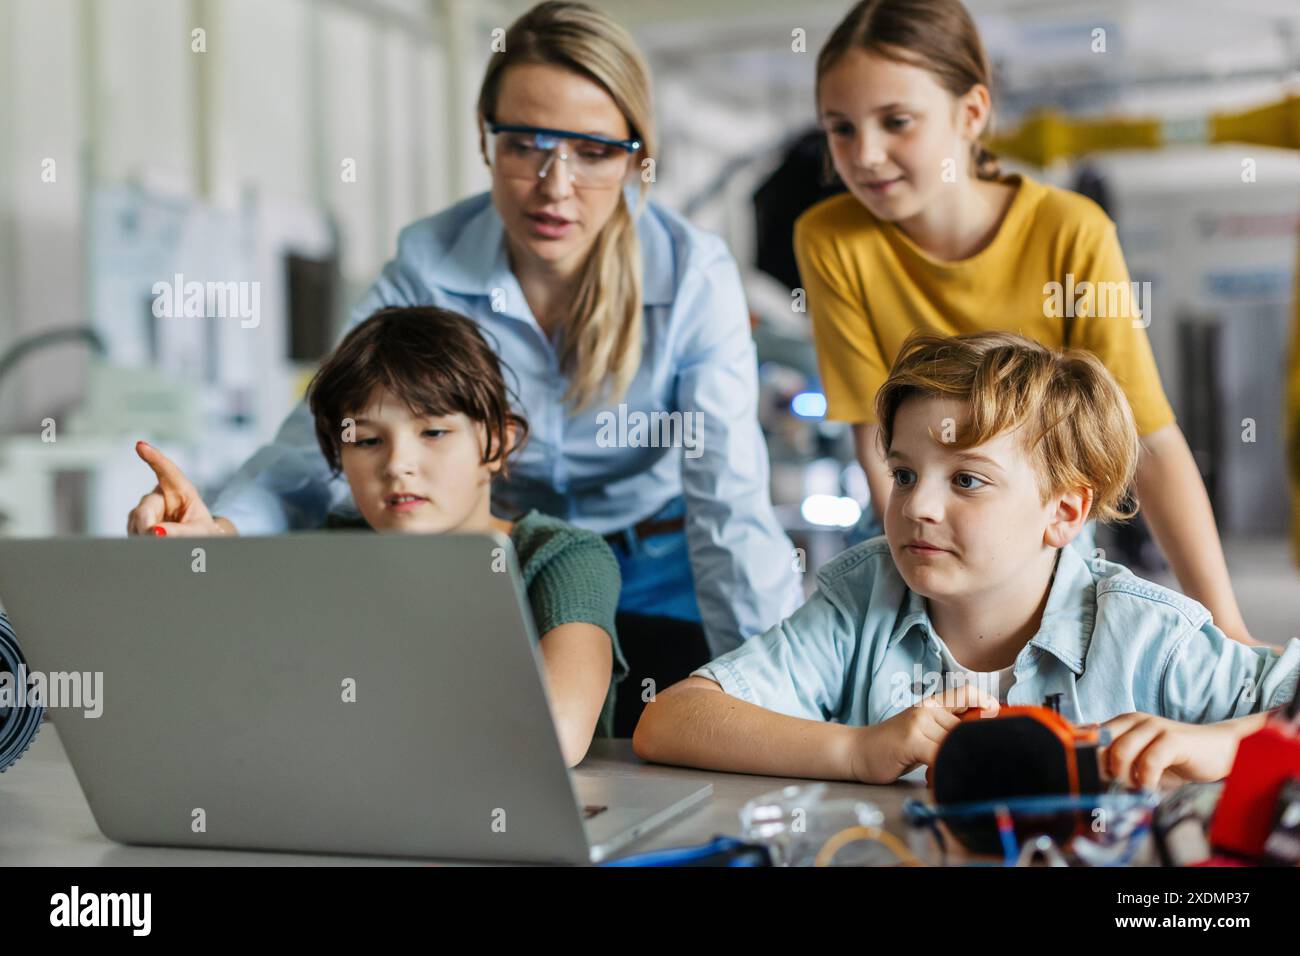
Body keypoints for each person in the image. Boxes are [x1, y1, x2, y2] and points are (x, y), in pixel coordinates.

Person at [127, 2, 802, 715]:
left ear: (639, 156)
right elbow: (318, 440)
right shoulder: (430, 261)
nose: (555, 185)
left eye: (594, 152)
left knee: (678, 750)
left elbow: (728, 502)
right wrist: (223, 533)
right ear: (486, 141)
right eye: (524, 144)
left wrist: (776, 697)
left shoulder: (692, 276)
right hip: (505, 569)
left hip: (669, 570)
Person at [634, 332, 1300, 787]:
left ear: (1064, 513)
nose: (918, 506)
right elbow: (669, 721)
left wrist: (1215, 747)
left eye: (966, 480)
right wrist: (859, 751)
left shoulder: (1146, 633)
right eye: (903, 474)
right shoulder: (865, 596)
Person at [793, 0, 1258, 644]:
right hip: (922, 528)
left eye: (896, 121)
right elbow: (872, 436)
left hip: (1043, 538)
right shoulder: (830, 238)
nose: (865, 154)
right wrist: (920, 578)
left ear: (972, 113)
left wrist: (1225, 626)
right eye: (839, 128)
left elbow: (1148, 438)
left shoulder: (1069, 230)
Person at [136, 305, 628, 767]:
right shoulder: (330, 550)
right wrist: (185, 567)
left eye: (433, 432)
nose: (397, 465)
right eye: (367, 441)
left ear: (496, 441)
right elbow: (218, 696)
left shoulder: (564, 559)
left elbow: (555, 733)